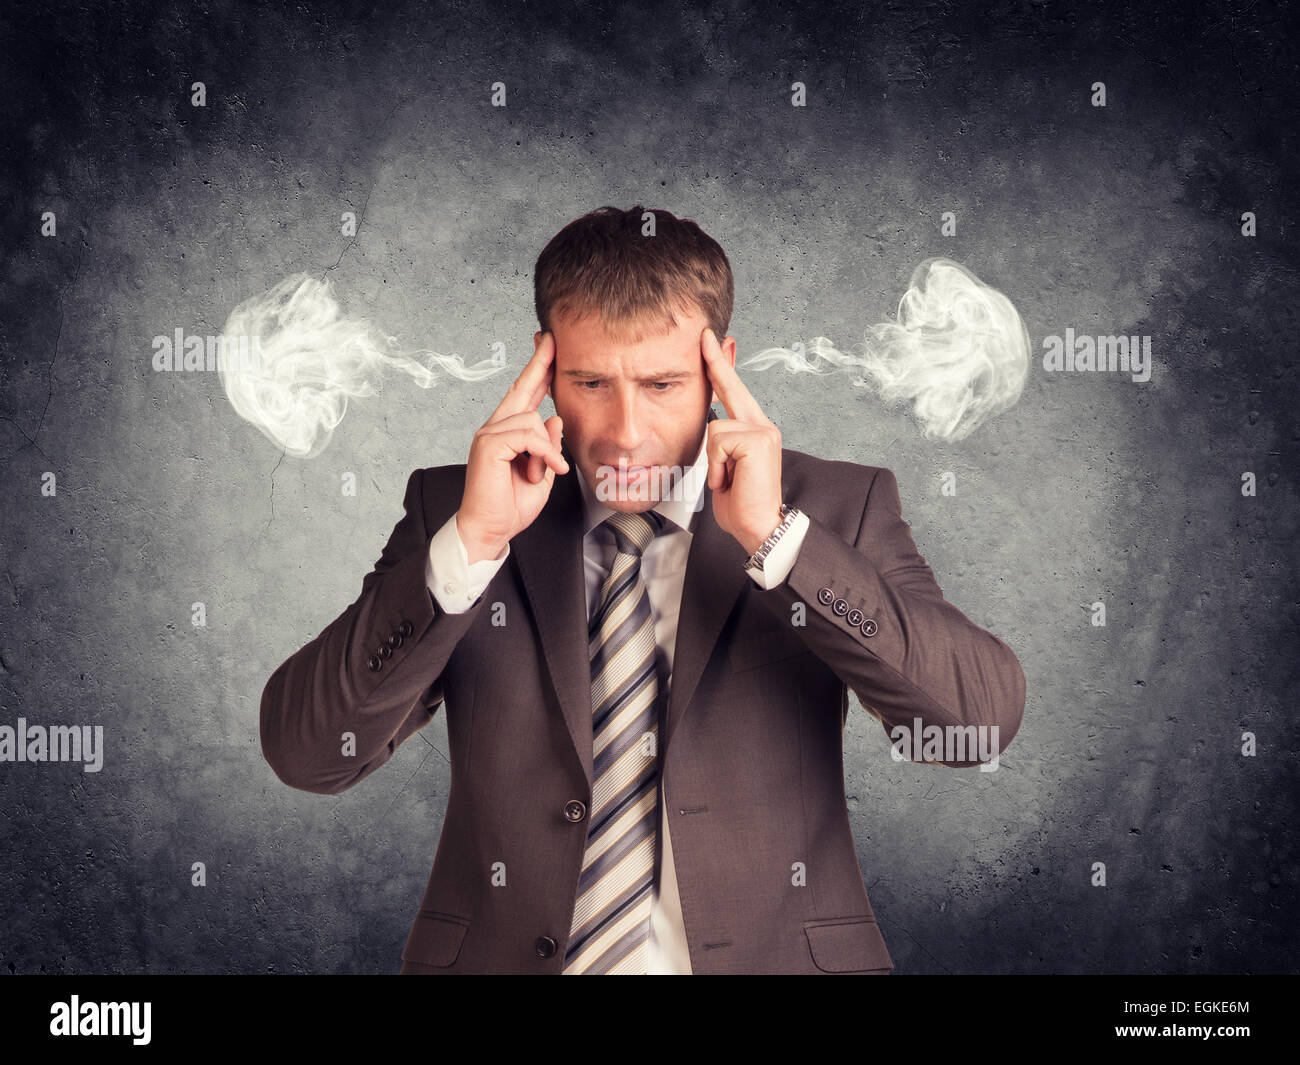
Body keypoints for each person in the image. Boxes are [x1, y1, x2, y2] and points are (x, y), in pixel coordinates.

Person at [259, 205, 1026, 974]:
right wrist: (473, 545)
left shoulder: (833, 509)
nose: (626, 431)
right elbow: (309, 753)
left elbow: (979, 724)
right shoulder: (457, 508)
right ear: (544, 368)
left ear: (721, 367)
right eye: (590, 381)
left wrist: (779, 541)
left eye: (662, 383)